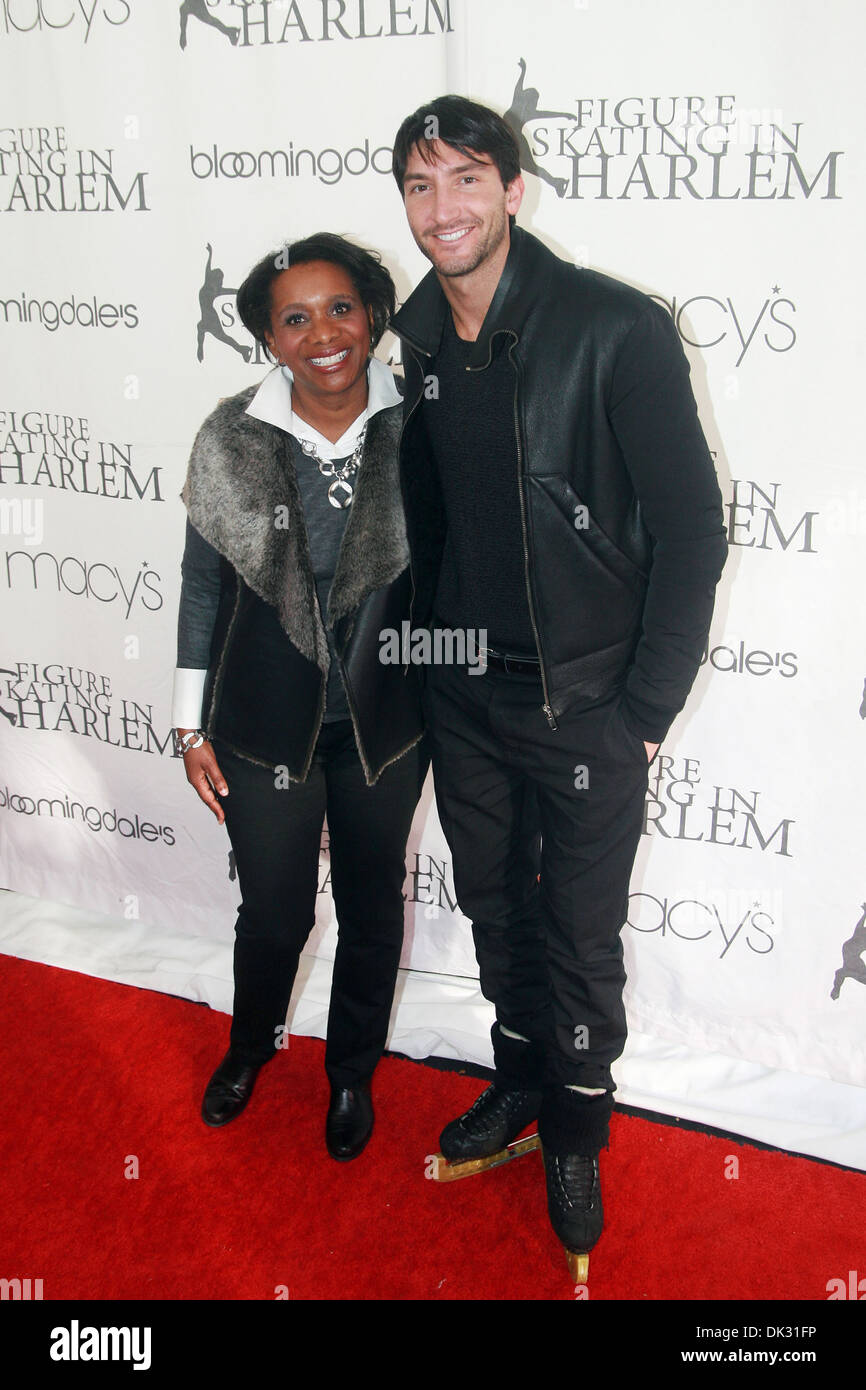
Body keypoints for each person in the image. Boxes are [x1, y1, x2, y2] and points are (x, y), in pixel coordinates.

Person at [390, 96, 728, 1269]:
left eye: (467, 179)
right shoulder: (417, 332)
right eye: (422, 187)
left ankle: (577, 1131)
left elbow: (691, 530)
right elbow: (432, 523)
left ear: (513, 190)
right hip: (463, 692)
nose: (445, 209)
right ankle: (521, 1083)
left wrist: (643, 711)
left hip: (584, 700)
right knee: (495, 914)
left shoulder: (613, 329)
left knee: (580, 937)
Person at [172, 233, 426, 1160]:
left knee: (370, 909)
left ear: (372, 317)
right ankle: (250, 1046)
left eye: (341, 309)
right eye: (295, 318)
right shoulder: (230, 436)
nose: (323, 333)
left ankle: (351, 1072)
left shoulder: (419, 425)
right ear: (270, 340)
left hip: (384, 730)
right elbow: (204, 588)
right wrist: (185, 724)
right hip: (258, 725)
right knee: (274, 912)